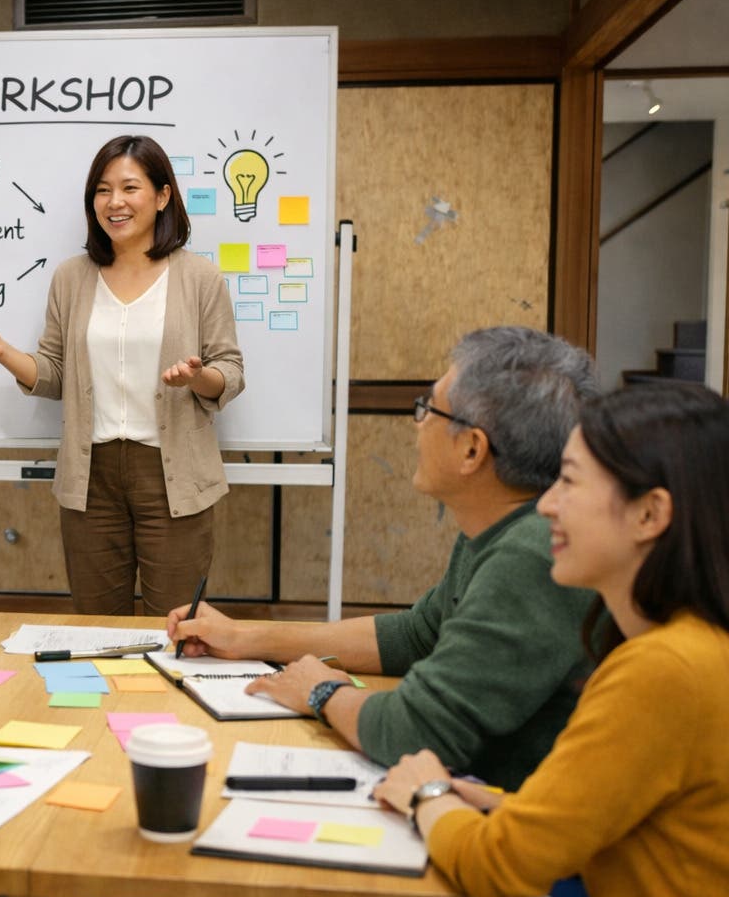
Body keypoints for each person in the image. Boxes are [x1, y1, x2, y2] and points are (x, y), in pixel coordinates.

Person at [364, 381, 729, 897]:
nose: (549, 504)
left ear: (650, 513)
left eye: (571, 482)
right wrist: (502, 806)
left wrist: (426, 794)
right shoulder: (692, 645)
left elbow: (497, 869)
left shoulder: (664, 670)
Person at [168, 327, 598, 791]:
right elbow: (414, 636)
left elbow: (413, 731)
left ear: (472, 449)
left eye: (429, 409)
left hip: (508, 827)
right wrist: (243, 637)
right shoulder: (503, 529)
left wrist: (322, 691)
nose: (417, 423)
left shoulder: (532, 557)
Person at [0, 134, 244, 615]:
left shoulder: (199, 278)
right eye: (102, 190)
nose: (114, 202)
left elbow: (229, 372)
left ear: (162, 195)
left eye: (130, 188)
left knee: (171, 629)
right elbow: (52, 375)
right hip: (91, 478)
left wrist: (196, 378)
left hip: (173, 478)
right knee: (96, 627)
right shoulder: (72, 277)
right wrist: (2, 351)